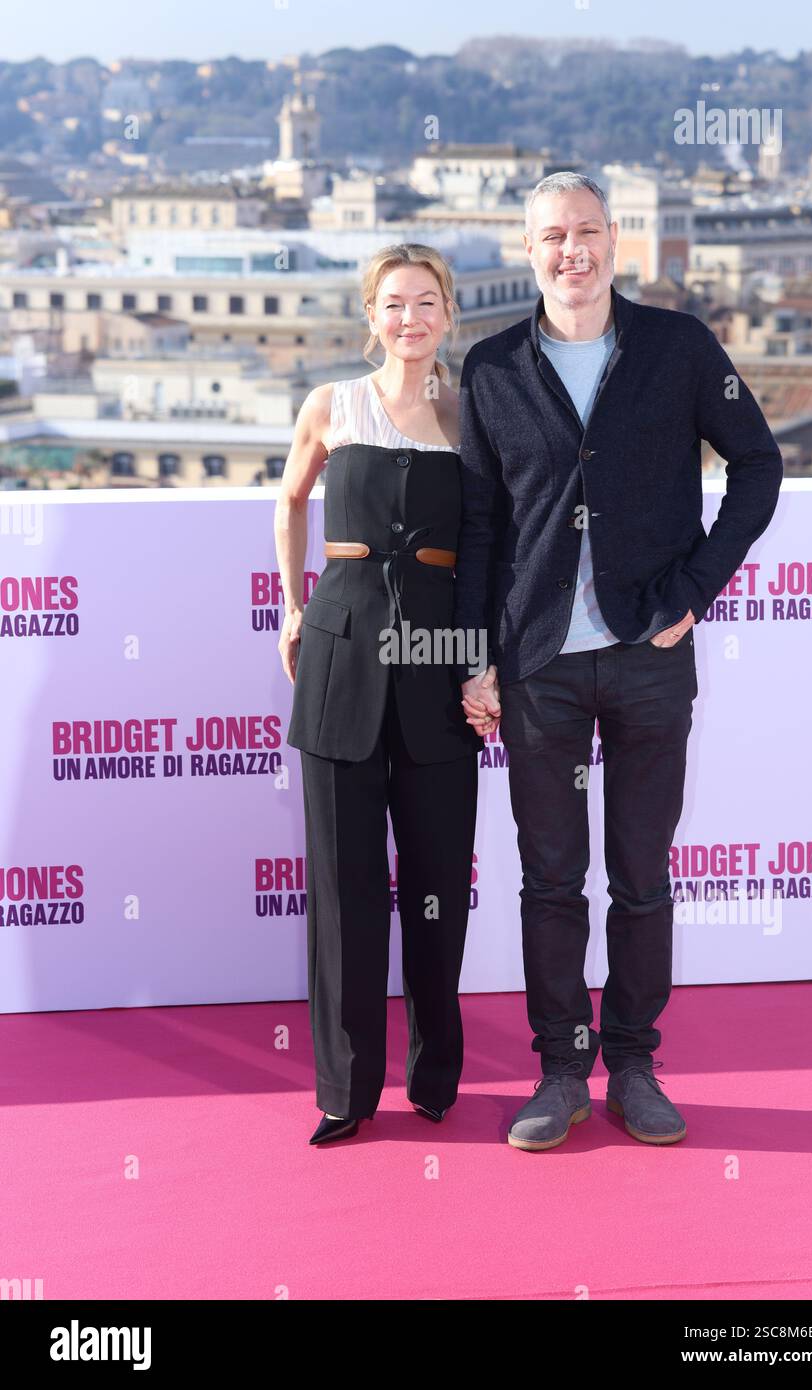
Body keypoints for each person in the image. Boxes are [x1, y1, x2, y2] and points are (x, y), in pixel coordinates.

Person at [457, 172, 783, 1152]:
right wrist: (474, 658)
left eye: (587, 232)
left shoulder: (678, 347)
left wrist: (694, 590)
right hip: (537, 665)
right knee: (551, 879)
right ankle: (559, 1068)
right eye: (553, 235)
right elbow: (478, 524)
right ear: (527, 249)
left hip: (648, 657)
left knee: (641, 874)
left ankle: (633, 1062)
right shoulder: (490, 369)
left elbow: (758, 466)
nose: (573, 250)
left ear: (613, 240)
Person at [274, 243, 496, 1146]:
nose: (411, 318)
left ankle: (436, 1075)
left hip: (443, 661)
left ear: (449, 313)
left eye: (427, 302)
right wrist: (292, 609)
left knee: (439, 883)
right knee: (343, 889)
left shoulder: (474, 415)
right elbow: (291, 500)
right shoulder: (331, 404)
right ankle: (345, 1090)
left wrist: (486, 660)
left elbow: (494, 547)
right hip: (340, 651)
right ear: (371, 316)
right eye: (394, 304)